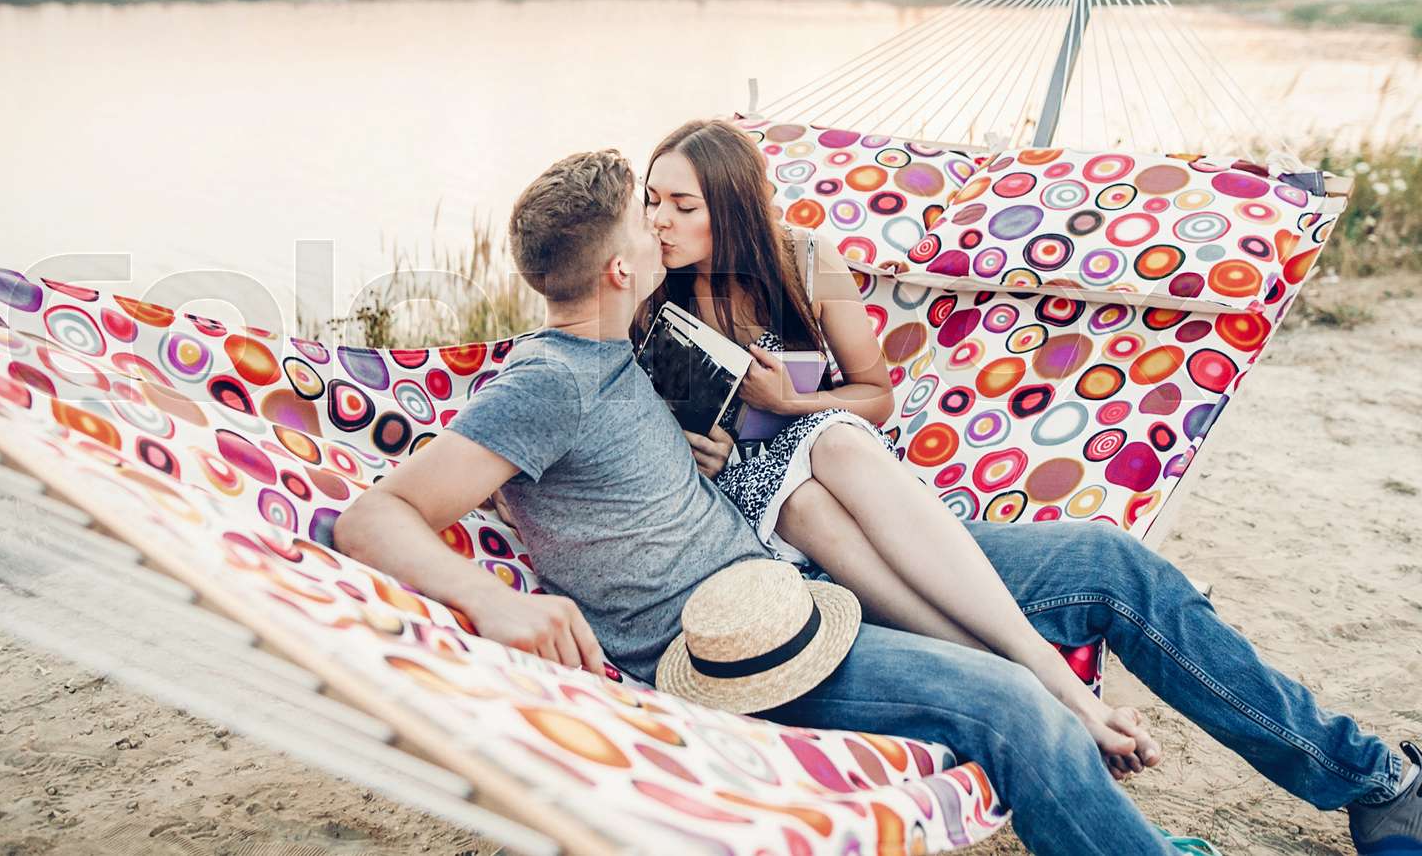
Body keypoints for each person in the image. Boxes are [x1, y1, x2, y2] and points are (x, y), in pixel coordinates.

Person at [331, 148, 1421, 855]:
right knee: (1013, 709)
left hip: (808, 568)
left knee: (1105, 560)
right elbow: (372, 517)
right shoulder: (548, 380)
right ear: (617, 268)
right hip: (742, 642)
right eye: (641, 228)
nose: (658, 232)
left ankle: (1368, 779)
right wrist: (497, 601)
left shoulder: (638, 335)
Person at [637, 117, 1158, 776]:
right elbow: (621, 417)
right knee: (803, 504)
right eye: (653, 200)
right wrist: (686, 454)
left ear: (734, 207)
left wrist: (790, 402)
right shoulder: (647, 292)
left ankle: (1053, 684)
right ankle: (1052, 695)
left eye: (683, 206)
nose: (659, 220)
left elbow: (875, 395)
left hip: (825, 445)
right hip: (749, 501)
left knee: (840, 452)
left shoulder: (806, 263)